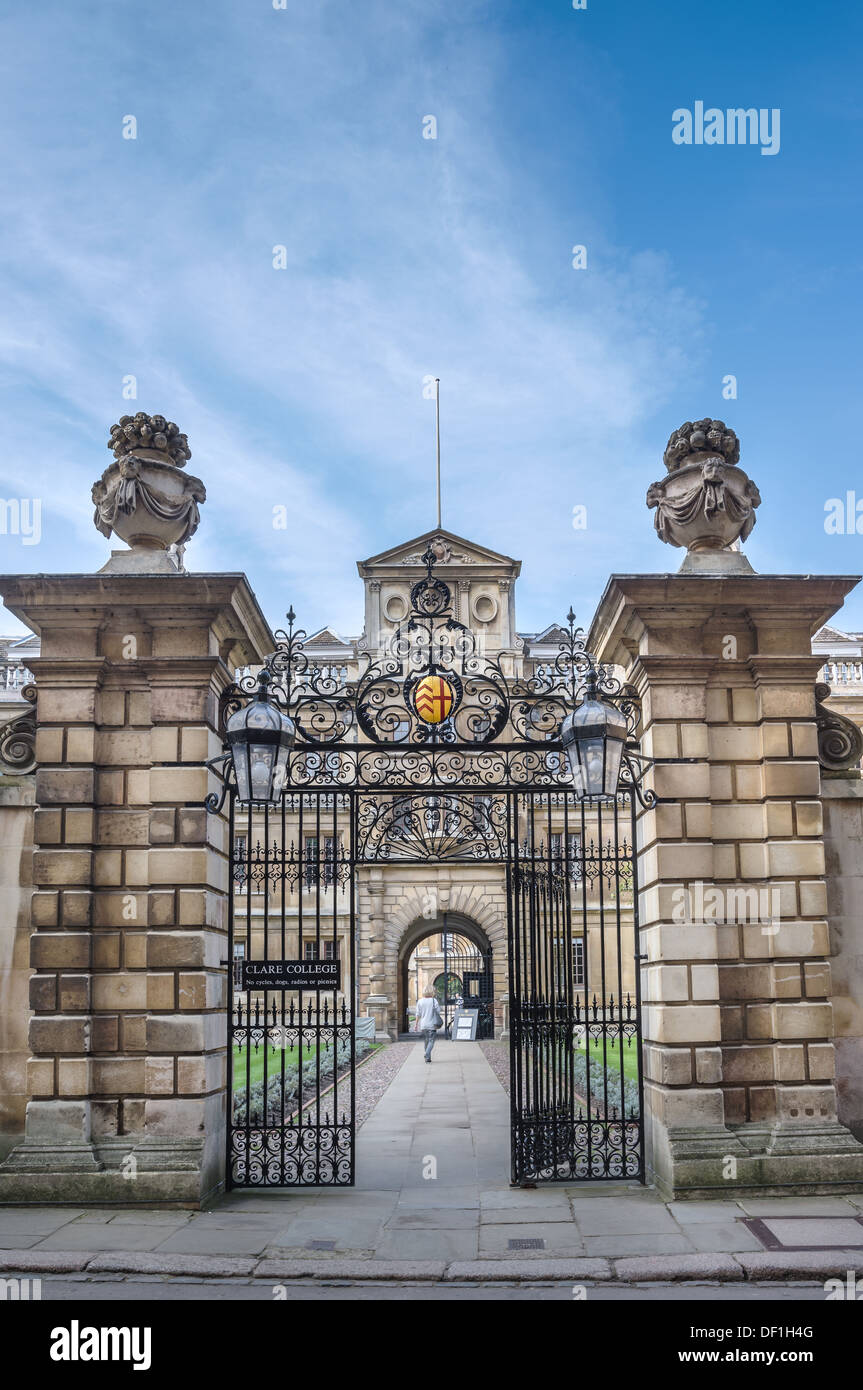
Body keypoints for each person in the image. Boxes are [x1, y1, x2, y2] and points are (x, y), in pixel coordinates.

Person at [413, 987, 443, 1062]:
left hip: (423, 1025)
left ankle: (428, 1058)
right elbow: (438, 1011)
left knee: (426, 1041)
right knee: (431, 1041)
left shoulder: (420, 1001)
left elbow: (418, 1014)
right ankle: (427, 1053)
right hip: (432, 1025)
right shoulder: (434, 1000)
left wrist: (416, 1025)